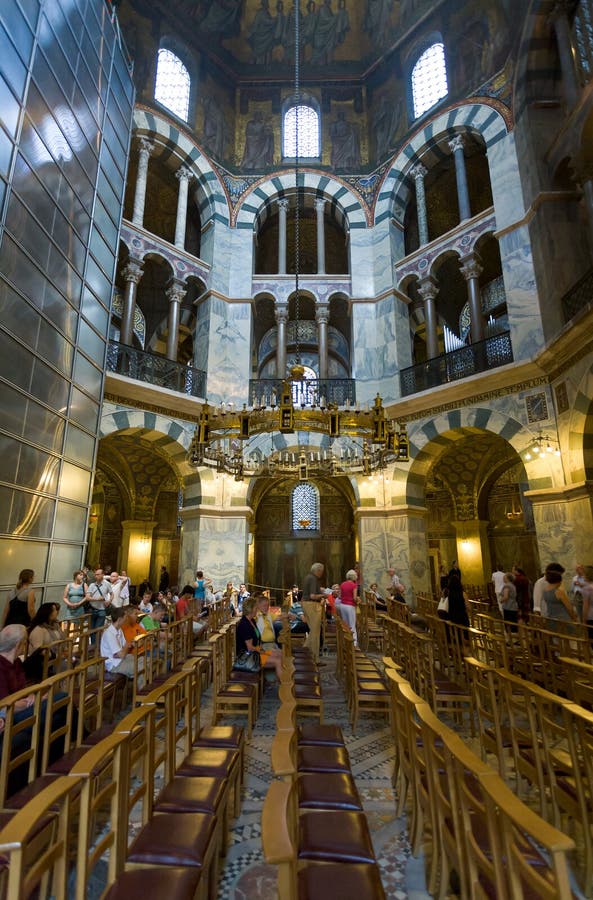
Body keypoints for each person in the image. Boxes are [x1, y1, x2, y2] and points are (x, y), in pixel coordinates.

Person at [236, 596, 283, 679]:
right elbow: (250, 648)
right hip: (249, 658)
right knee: (278, 661)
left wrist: (262, 650)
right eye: (255, 607)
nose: (257, 609)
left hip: (255, 653)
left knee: (281, 654)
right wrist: (262, 651)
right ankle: (285, 687)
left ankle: (276, 682)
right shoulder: (244, 625)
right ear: (251, 609)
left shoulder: (252, 621)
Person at [25, 603, 63, 682]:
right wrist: (57, 655)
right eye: (54, 610)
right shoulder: (38, 629)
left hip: (56, 656)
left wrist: (64, 651)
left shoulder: (56, 625)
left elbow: (62, 639)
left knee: (74, 662)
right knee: (66, 667)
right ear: (47, 613)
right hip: (42, 662)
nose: (57, 612)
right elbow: (39, 650)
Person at [100, 608, 141, 680]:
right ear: (119, 619)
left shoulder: (119, 629)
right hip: (114, 665)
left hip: (122, 659)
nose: (126, 620)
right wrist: (127, 646)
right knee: (141, 667)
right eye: (125, 618)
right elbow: (121, 654)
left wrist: (130, 644)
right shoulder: (109, 633)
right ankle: (143, 690)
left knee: (145, 660)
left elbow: (124, 648)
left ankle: (145, 687)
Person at [301, 562, 325, 663]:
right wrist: (324, 595)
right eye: (321, 571)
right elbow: (312, 596)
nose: (322, 574)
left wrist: (320, 591)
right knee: (315, 632)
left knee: (313, 631)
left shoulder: (308, 577)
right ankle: (314, 658)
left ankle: (305, 652)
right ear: (318, 570)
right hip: (312, 605)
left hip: (306, 604)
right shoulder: (313, 578)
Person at [85, 569, 113, 634]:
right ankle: (93, 643)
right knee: (91, 630)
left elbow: (112, 594)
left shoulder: (107, 584)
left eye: (98, 574)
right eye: (95, 575)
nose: (96, 576)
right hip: (92, 609)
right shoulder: (92, 585)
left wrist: (109, 601)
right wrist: (97, 599)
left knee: (98, 630)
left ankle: (98, 643)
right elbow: (87, 597)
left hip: (102, 610)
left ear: (103, 575)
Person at [339, 568, 359, 647]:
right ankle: (354, 643)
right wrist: (357, 600)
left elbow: (340, 596)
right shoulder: (354, 585)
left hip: (342, 605)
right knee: (352, 625)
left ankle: (346, 641)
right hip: (350, 606)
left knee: (346, 624)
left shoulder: (343, 584)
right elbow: (354, 598)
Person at [580, 565, 593, 642]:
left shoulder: (586, 588)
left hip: (591, 617)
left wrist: (583, 620)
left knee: (591, 639)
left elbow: (585, 606)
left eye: (583, 574)